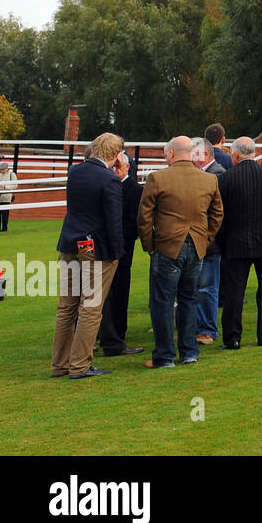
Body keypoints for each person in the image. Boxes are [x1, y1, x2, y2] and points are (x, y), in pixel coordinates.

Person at [137, 135, 223, 369]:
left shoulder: (157, 178)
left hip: (166, 246)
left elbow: (144, 217)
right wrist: (205, 238)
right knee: (189, 299)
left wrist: (150, 244)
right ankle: (189, 353)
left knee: (162, 301)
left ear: (172, 154)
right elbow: (217, 215)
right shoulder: (208, 180)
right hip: (196, 246)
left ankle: (164, 356)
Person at [50, 133, 126, 380]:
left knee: (67, 307)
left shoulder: (75, 172)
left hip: (69, 242)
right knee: (91, 307)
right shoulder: (110, 180)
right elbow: (114, 222)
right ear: (116, 156)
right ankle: (80, 365)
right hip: (95, 249)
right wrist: (117, 252)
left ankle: (60, 364)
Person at [216, 137, 262, 348]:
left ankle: (232, 338)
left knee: (234, 292)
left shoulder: (226, 179)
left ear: (236, 155)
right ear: (254, 153)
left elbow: (220, 217)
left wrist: (222, 243)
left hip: (236, 243)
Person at [96, 153, 144, 357]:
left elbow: (135, 223)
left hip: (122, 251)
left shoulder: (135, 190)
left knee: (120, 293)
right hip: (102, 248)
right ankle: (103, 335)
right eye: (113, 166)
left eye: (118, 166)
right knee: (102, 294)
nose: (114, 169)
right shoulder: (105, 185)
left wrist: (119, 242)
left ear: (127, 168)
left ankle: (118, 334)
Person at [191, 138, 225, 345]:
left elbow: (216, 213)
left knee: (206, 288)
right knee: (195, 288)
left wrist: (209, 236)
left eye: (194, 154)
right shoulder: (204, 175)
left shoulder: (217, 175)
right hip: (197, 241)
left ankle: (207, 330)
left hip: (209, 243)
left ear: (205, 155)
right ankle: (194, 327)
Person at [0, 160, 15, 232]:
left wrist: (5, 187)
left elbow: (15, 185)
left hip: (6, 197)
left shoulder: (12, 174)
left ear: (6, 168)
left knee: (5, 214)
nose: (1, 171)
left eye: (2, 169)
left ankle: (5, 229)